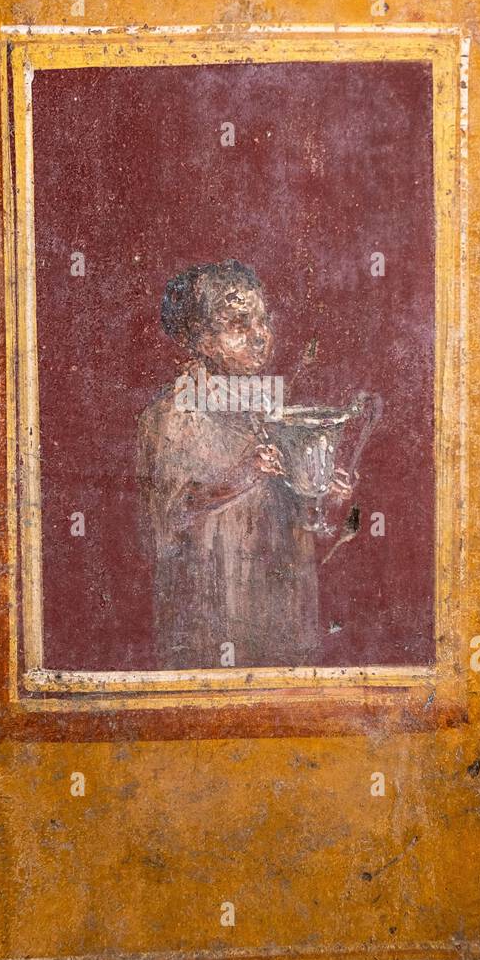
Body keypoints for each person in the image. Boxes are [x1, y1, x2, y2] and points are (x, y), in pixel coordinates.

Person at [137, 259, 347, 670]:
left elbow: (296, 521)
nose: (259, 337)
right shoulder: (171, 414)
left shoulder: (267, 408)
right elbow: (166, 520)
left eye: (262, 321)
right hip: (212, 611)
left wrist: (325, 496)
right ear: (201, 339)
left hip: (280, 610)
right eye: (238, 325)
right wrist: (244, 474)